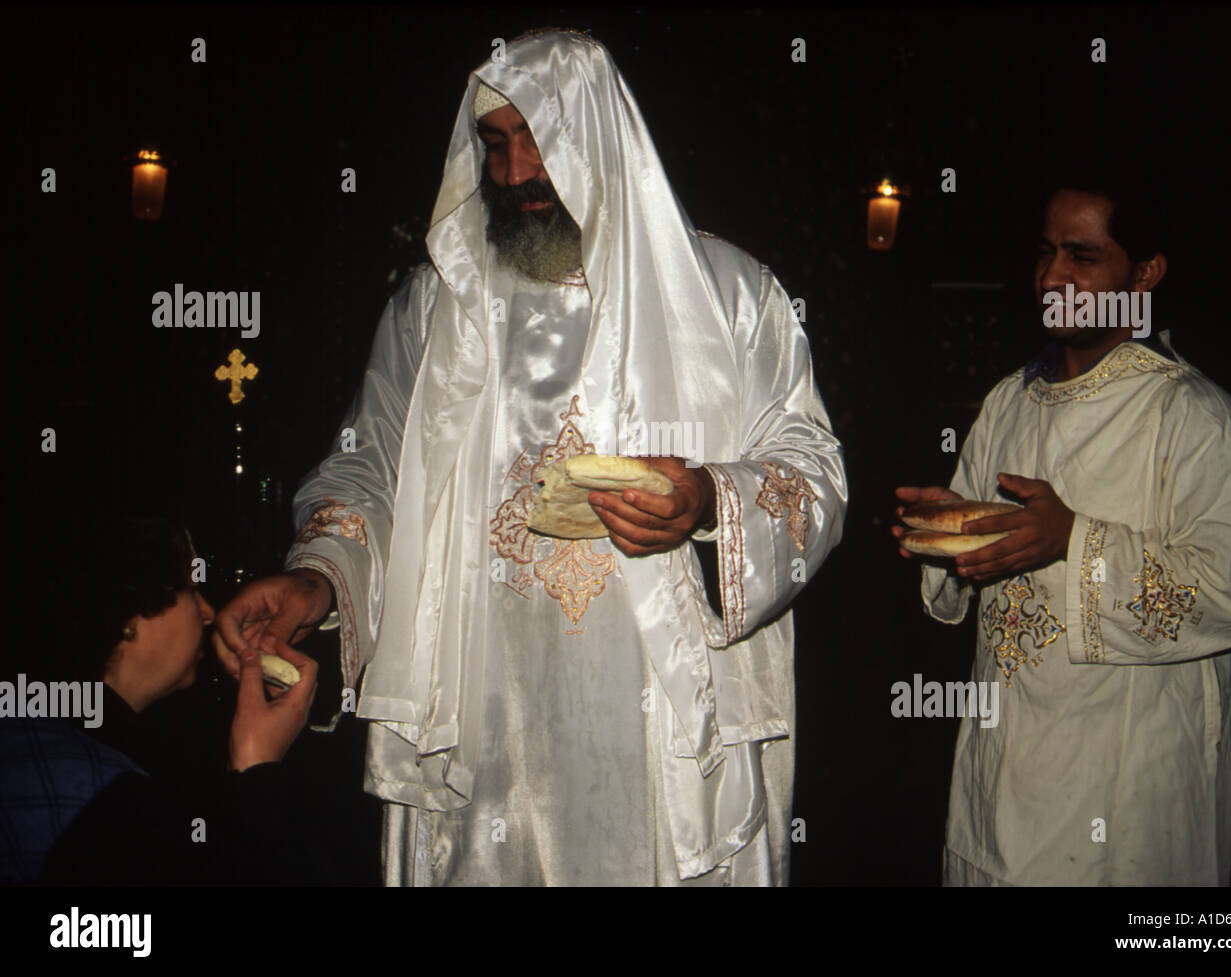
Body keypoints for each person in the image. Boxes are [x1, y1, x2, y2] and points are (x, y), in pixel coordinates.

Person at [215, 29, 847, 885]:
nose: (514, 175)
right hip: (486, 732)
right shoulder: (437, 308)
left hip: (662, 743)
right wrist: (318, 575)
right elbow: (370, 470)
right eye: (495, 144)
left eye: (539, 140)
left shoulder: (730, 296)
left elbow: (812, 466)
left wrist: (710, 498)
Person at [893, 173, 1231, 885]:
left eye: (1083, 257)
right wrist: (945, 530)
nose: (1052, 276)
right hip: (997, 777)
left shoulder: (1197, 418)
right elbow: (962, 575)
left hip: (1123, 802)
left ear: (1146, 272)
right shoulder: (1009, 401)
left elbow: (1228, 596)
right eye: (1045, 253)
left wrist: (1072, 539)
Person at [0, 517, 322, 884]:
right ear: (131, 615)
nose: (208, 612)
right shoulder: (106, 801)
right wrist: (258, 770)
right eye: (188, 589)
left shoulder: (38, 729)